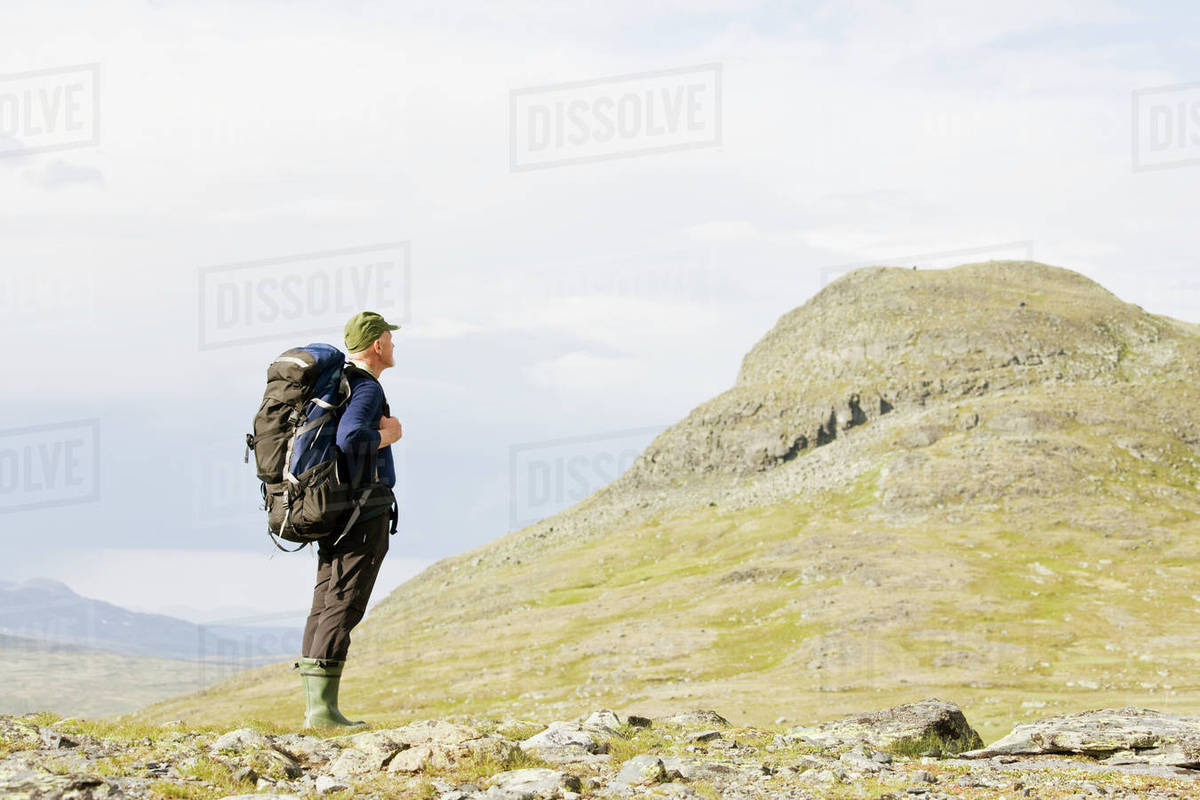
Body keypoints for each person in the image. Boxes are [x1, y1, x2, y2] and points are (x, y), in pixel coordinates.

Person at [296, 311, 402, 728]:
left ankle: (316, 708)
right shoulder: (365, 387)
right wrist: (387, 437)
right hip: (361, 511)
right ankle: (323, 713)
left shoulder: (337, 384)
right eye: (390, 339)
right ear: (377, 344)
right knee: (344, 603)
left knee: (325, 601)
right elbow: (352, 437)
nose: (393, 346)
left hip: (333, 510)